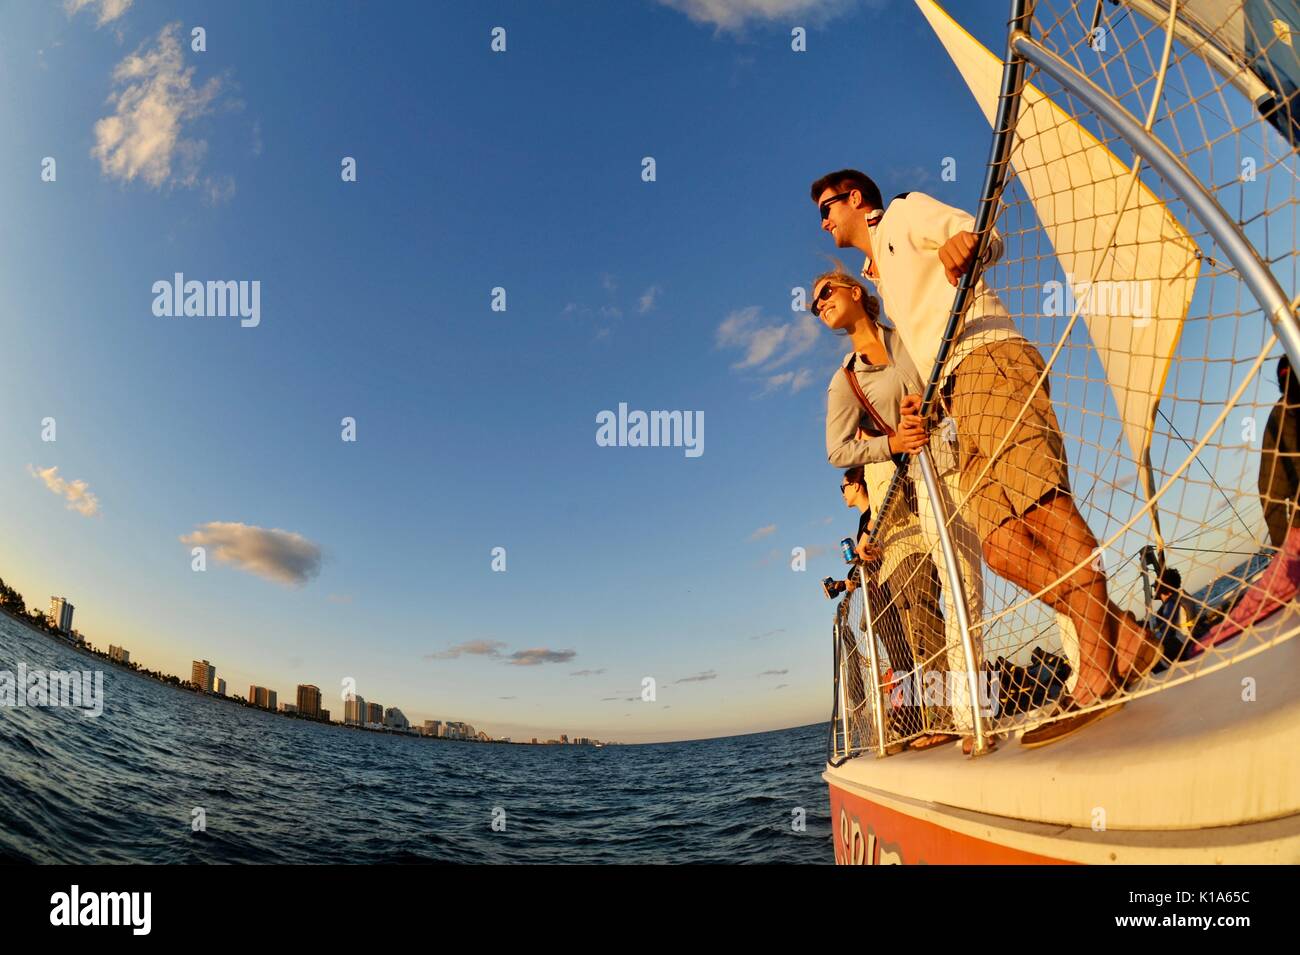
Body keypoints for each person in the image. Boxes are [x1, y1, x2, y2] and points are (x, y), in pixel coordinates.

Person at [811, 169, 1159, 747]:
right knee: (999, 547)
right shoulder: (880, 278)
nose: (824, 222)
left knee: (1047, 512)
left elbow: (976, 234)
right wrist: (929, 397)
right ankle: (1121, 633)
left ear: (855, 199)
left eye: (827, 207)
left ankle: (1098, 676)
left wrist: (965, 245)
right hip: (955, 399)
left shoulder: (899, 214)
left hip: (989, 359)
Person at [812, 264, 961, 747]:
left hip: (951, 467)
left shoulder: (908, 336)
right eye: (814, 303)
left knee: (976, 586)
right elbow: (837, 452)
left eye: (825, 292)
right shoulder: (845, 382)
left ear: (856, 291)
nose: (819, 304)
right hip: (902, 510)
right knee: (923, 614)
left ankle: (970, 706)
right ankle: (945, 718)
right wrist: (892, 442)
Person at [840, 466, 951, 749]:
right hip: (893, 570)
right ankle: (935, 718)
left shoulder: (883, 481)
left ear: (857, 485)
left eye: (843, 487)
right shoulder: (872, 511)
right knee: (917, 645)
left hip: (907, 557)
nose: (842, 494)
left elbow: (893, 511)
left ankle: (947, 718)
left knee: (925, 637)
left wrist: (864, 551)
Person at [1198, 354, 1300, 649]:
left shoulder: (1280, 414)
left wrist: (1287, 548)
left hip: (1296, 534)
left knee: (1243, 618)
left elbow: (1269, 488)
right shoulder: (1280, 416)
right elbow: (1271, 488)